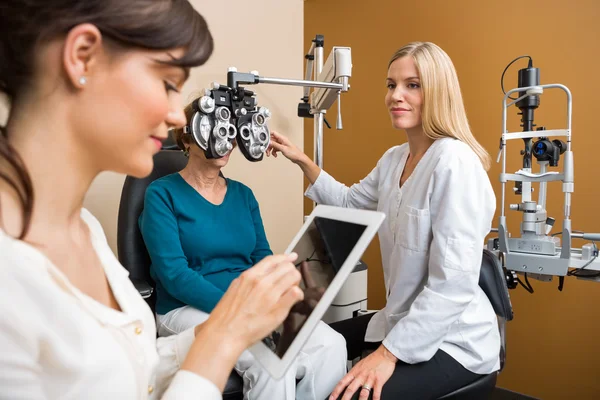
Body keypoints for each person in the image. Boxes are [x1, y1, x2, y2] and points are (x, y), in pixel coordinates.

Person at [0, 1, 306, 399]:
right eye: (168, 82)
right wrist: (226, 336)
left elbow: (125, 374)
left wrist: (228, 328)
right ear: (82, 58)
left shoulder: (84, 229)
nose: (180, 117)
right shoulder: (12, 274)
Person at [267, 41, 501, 400]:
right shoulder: (395, 159)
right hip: (404, 319)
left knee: (348, 394)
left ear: (438, 91)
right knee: (299, 341)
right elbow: (348, 202)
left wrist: (386, 354)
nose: (396, 96)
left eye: (413, 85)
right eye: (391, 85)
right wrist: (300, 158)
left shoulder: (455, 163)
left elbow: (451, 287)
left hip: (454, 340)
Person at [137, 99, 348, 400]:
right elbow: (175, 275)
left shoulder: (243, 195)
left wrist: (281, 297)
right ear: (187, 139)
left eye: (229, 132)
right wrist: (241, 310)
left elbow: (262, 257)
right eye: (212, 131)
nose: (225, 141)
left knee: (331, 344)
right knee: (272, 363)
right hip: (185, 308)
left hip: (249, 304)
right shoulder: (162, 193)